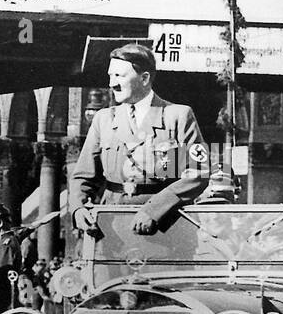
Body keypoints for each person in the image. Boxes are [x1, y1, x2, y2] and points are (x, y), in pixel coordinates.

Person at [69, 42, 210, 239]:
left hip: (165, 228)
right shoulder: (104, 119)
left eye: (119, 76)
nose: (112, 83)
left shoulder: (177, 116)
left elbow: (198, 172)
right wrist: (78, 208)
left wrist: (154, 210)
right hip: (110, 231)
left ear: (144, 78)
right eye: (111, 75)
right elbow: (83, 177)